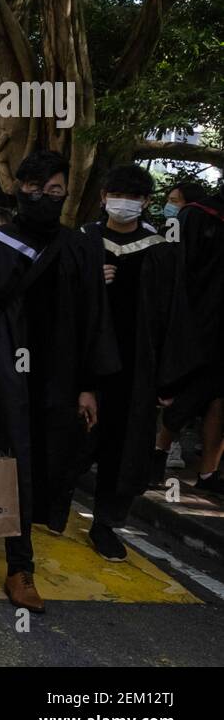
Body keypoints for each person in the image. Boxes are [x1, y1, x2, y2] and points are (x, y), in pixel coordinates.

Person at [0, 150, 117, 612]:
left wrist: (88, 384)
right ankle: (20, 569)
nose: (44, 198)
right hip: (6, 377)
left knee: (51, 464)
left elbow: (92, 319)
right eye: (35, 190)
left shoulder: (80, 248)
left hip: (59, 379)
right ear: (19, 191)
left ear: (67, 192)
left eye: (55, 191)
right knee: (12, 464)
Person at [66, 164, 165, 560]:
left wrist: (169, 380)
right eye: (117, 193)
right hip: (82, 364)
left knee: (123, 447)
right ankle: (48, 510)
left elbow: (170, 316)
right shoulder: (83, 242)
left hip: (135, 370)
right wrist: (90, 284)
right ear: (104, 196)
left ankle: (104, 524)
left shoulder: (160, 250)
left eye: (135, 196)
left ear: (145, 202)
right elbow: (56, 300)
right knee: (70, 440)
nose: (125, 202)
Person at [145, 190, 224, 492]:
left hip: (219, 331)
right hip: (195, 324)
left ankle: (208, 473)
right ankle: (158, 452)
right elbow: (175, 270)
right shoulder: (196, 215)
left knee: (220, 399)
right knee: (186, 393)